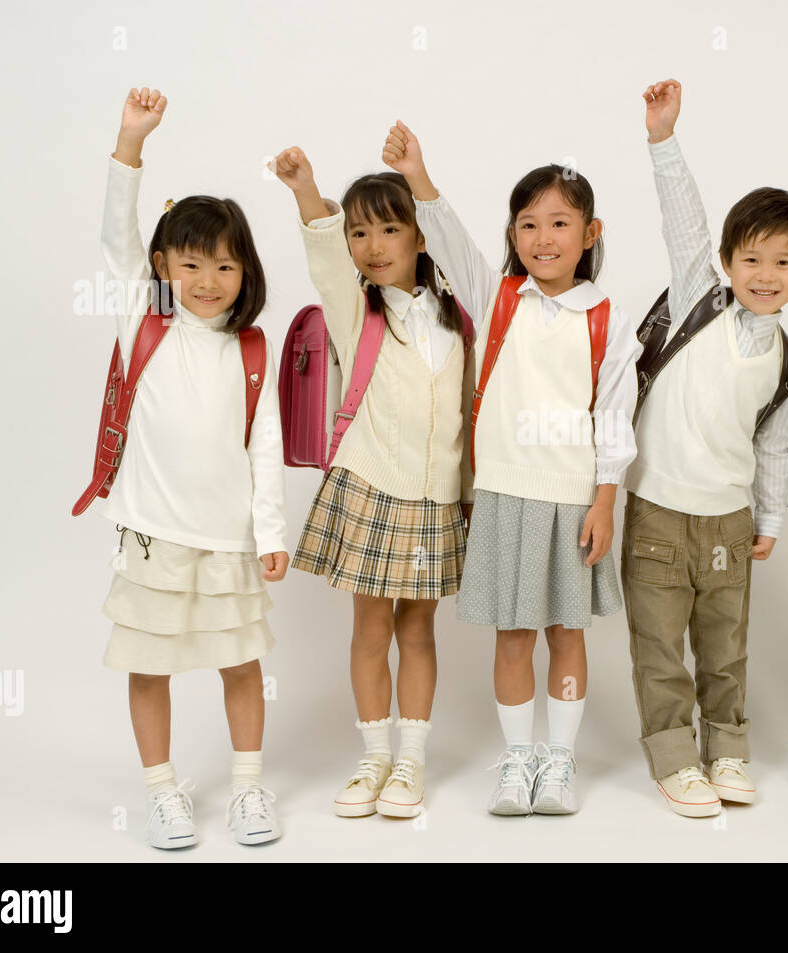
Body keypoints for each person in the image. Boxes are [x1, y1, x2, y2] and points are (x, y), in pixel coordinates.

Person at [383, 120, 641, 816]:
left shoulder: (609, 317)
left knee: (566, 634)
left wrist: (604, 499)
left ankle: (560, 763)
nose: (543, 238)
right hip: (502, 493)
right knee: (513, 635)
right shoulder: (499, 296)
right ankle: (518, 759)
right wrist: (418, 173)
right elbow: (450, 239)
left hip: (569, 499)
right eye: (527, 224)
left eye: (560, 222)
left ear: (590, 233)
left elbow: (615, 414)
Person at [96, 87, 287, 848]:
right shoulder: (142, 324)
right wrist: (130, 143)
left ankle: (247, 788)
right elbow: (115, 237)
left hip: (230, 538)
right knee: (151, 666)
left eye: (226, 264)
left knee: (241, 664)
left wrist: (269, 530)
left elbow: (264, 445)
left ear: (246, 272)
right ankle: (162, 791)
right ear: (163, 264)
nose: (209, 279)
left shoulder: (251, 349)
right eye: (192, 262)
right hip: (151, 533)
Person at [624, 79, 788, 816]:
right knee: (659, 646)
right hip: (657, 515)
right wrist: (663, 136)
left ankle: (728, 750)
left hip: (728, 523)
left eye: (783, 263)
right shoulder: (697, 297)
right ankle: (675, 758)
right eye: (752, 259)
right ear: (728, 260)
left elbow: (774, 446)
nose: (765, 276)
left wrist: (769, 521)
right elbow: (684, 218)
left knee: (726, 646)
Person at [272, 146, 473, 819]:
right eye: (360, 231)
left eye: (389, 228)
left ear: (420, 235)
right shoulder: (357, 310)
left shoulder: (460, 316)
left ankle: (410, 759)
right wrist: (307, 191)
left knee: (418, 629)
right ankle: (373, 756)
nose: (373, 245)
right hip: (370, 484)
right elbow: (325, 255)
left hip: (439, 496)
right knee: (369, 628)